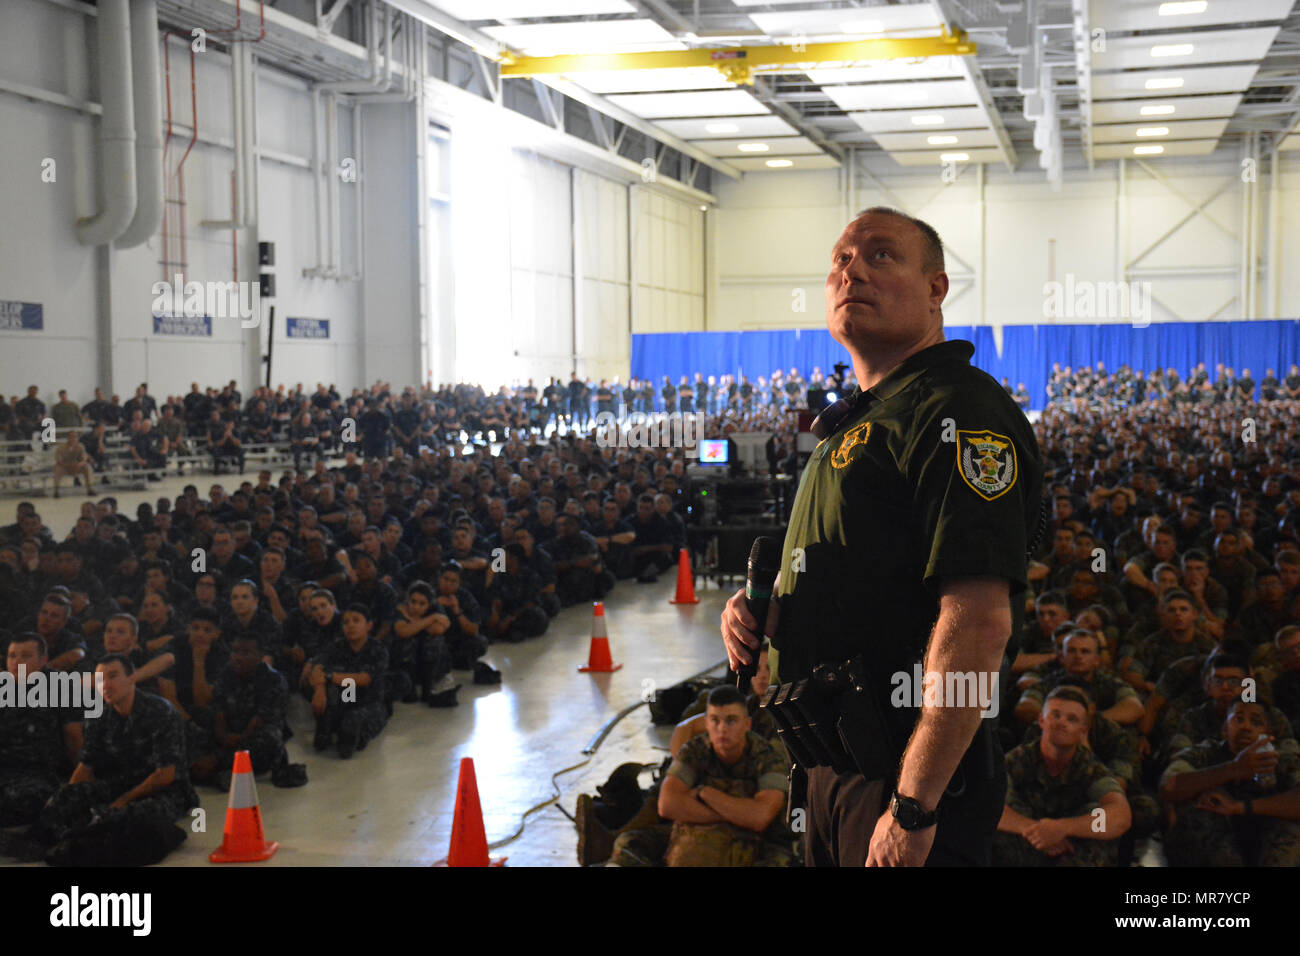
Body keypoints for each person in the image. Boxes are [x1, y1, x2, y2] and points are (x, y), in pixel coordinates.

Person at [720, 206, 1045, 866]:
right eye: (841, 259)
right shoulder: (851, 423)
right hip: (829, 767)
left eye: (881, 256)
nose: (852, 270)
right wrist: (769, 612)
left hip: (905, 775)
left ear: (936, 289)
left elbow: (979, 623)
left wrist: (916, 804)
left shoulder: (955, 409)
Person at [31, 654, 198, 854]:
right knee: (64, 798)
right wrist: (68, 798)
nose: (106, 685)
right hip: (119, 784)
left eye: (113, 676)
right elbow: (86, 767)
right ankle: (58, 842)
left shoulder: (161, 712)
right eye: (100, 679)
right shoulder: (98, 715)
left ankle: (87, 838)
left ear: (131, 678)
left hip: (166, 790)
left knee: (137, 816)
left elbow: (165, 775)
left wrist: (123, 801)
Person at [611, 685, 792, 867]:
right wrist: (733, 813)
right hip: (696, 834)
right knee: (627, 843)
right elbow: (667, 805)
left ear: (747, 724)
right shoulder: (695, 750)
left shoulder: (767, 756)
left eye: (731, 721)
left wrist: (704, 794)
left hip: (754, 841)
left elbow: (760, 818)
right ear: (706, 724)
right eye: (714, 720)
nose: (721, 729)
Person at [991, 687, 1132, 866]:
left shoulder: (1090, 767)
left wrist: (1062, 828)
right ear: (1041, 720)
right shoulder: (1017, 759)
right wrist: (1034, 830)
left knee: (1099, 819)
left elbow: (1121, 816)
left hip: (1068, 850)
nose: (1062, 722)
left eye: (1072, 719)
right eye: (1055, 715)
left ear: (1083, 729)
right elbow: (984, 803)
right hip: (1025, 844)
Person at [1159, 698, 1300, 866]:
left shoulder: (1280, 759)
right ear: (1225, 729)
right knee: (1195, 811)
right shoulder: (1204, 753)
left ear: (1268, 734)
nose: (1246, 727)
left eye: (1256, 722)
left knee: (1289, 828)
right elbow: (1168, 788)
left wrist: (1240, 807)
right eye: (1239, 719)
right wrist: (1234, 769)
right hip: (1216, 842)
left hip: (1262, 835)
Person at [0, 634, 84, 826]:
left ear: (43, 660)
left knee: (25, 800)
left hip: (35, 773)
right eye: (12, 656)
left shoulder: (61, 687)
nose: (16, 662)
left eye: (25, 656)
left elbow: (74, 739)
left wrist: (79, 785)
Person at [307, 603, 389, 758]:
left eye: (356, 621)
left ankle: (348, 732)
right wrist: (319, 690)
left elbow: (364, 679)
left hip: (370, 702)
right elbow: (317, 667)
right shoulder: (338, 646)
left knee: (352, 727)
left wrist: (330, 677)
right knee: (333, 692)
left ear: (369, 625)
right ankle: (328, 727)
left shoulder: (377, 649)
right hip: (347, 698)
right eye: (346, 622)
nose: (350, 625)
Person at [52, 431, 95, 499]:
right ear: (68, 438)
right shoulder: (61, 447)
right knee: (57, 469)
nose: (73, 439)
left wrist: (80, 464)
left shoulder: (80, 446)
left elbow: (84, 458)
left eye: (75, 437)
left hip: (77, 466)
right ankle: (56, 491)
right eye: (71, 437)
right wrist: (68, 465)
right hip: (64, 467)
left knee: (87, 467)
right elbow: (58, 460)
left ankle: (90, 489)